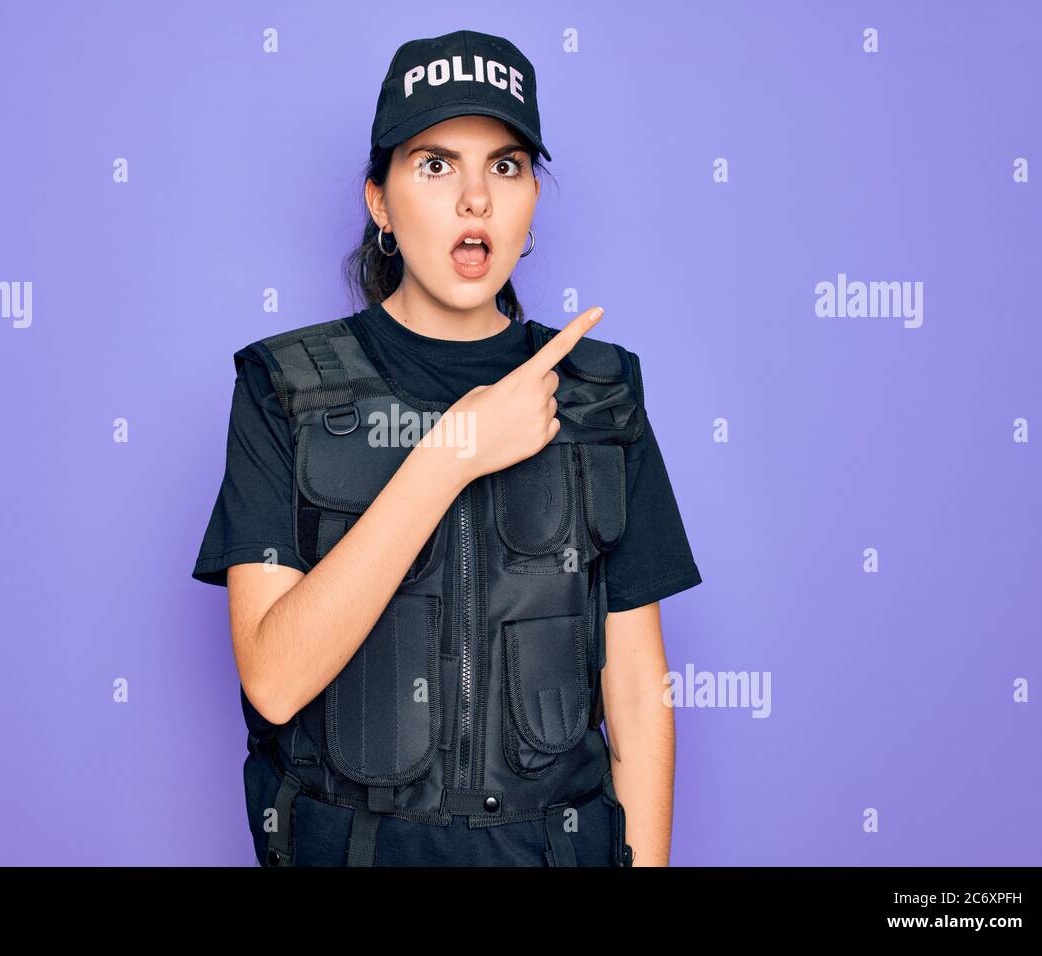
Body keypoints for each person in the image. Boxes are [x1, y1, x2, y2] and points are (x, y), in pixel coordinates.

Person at [191, 29, 702, 866]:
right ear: (380, 202)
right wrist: (452, 453)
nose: (476, 200)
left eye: (505, 166)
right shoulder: (280, 387)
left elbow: (640, 696)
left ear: (533, 196)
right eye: (435, 165)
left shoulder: (601, 393)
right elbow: (275, 681)